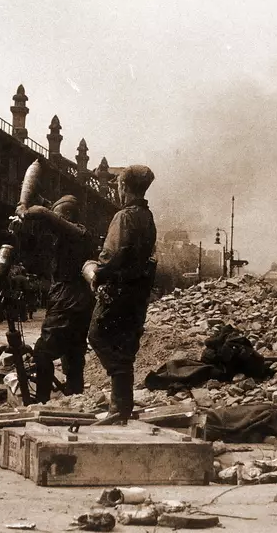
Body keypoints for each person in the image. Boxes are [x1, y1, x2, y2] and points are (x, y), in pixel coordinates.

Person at [87, 165, 157, 420]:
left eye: (119, 186)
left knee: (98, 336)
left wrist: (97, 272)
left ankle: (119, 405)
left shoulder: (124, 216)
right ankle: (121, 407)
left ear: (124, 187)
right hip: (136, 293)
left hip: (117, 290)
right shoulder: (147, 216)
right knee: (125, 345)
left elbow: (114, 254)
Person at [17, 195, 95, 403]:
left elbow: (44, 214)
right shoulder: (75, 236)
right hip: (77, 300)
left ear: (68, 215)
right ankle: (75, 398)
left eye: (59, 216)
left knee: (43, 352)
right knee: (73, 354)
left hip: (67, 300)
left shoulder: (77, 233)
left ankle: (42, 401)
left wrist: (25, 210)